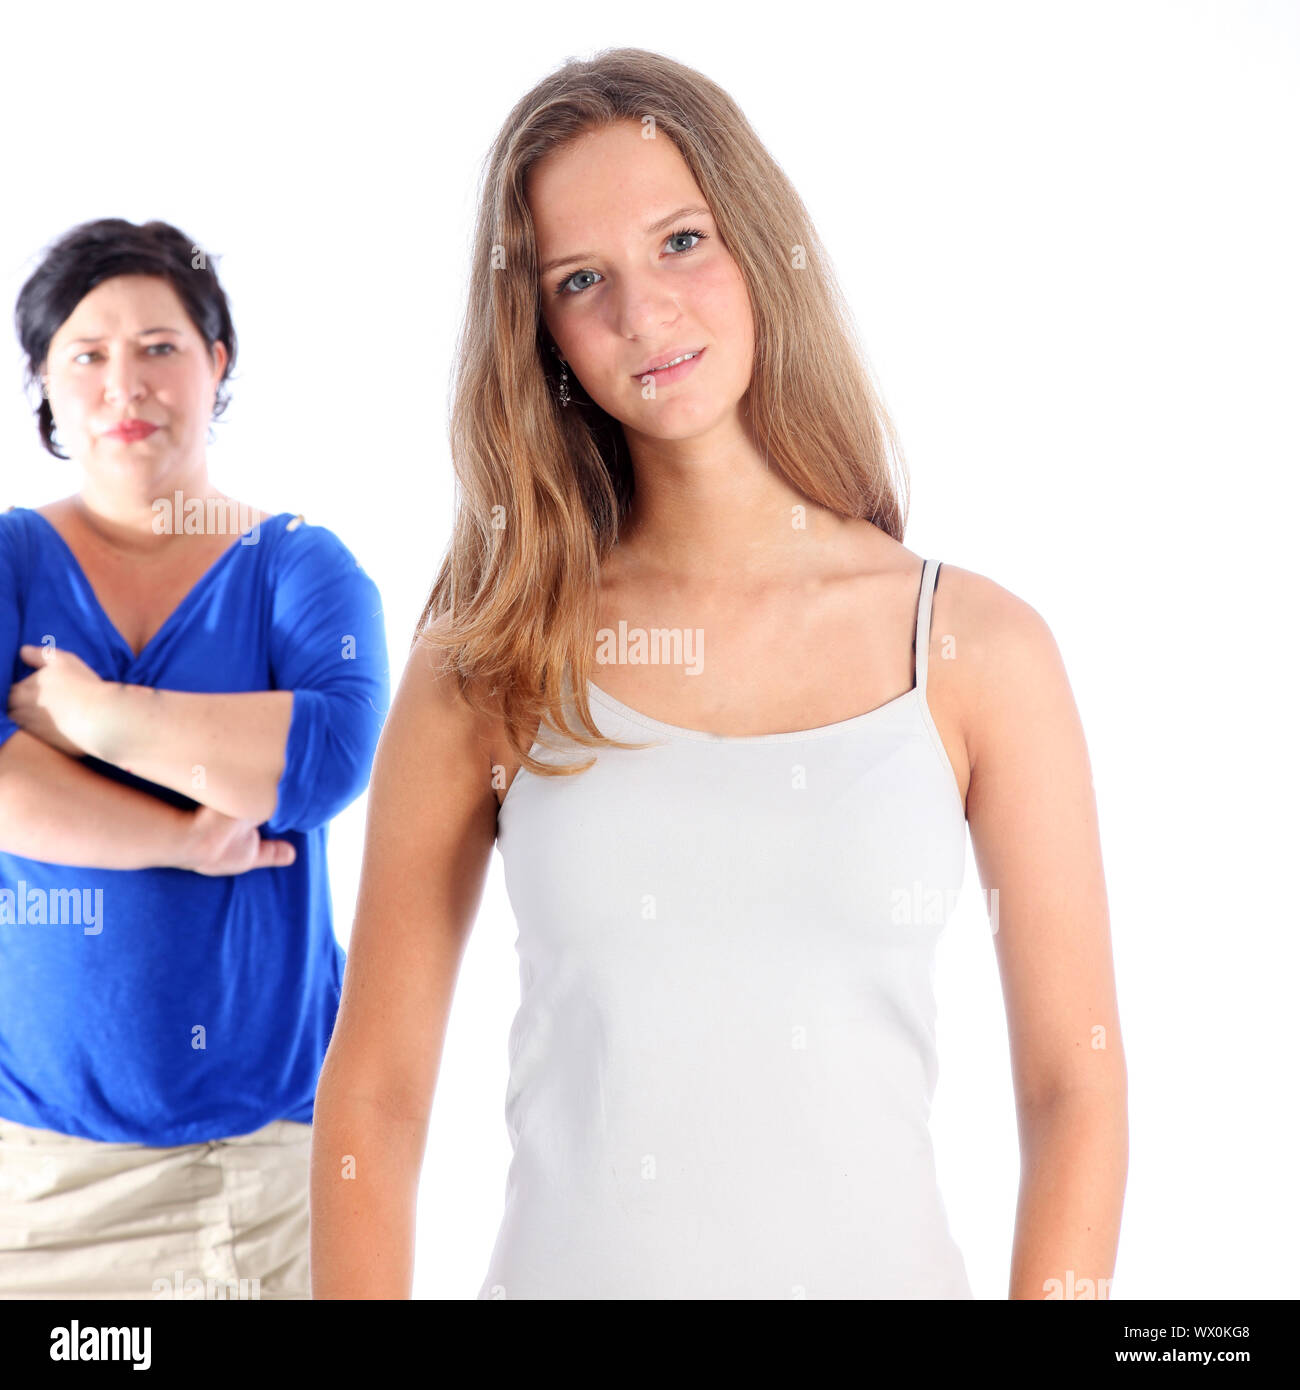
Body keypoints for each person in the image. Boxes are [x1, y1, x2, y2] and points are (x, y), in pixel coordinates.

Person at [311, 49, 1127, 1300]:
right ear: (542, 337)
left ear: (755, 239)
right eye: (582, 280)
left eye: (680, 241)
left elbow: (1071, 1086)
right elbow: (375, 1096)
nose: (644, 314)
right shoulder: (488, 661)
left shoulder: (977, 651)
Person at [0, 218, 389, 1299]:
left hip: (252, 1177)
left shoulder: (300, 568)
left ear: (217, 364)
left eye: (161, 346)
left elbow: (323, 758)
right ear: (44, 383)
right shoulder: (11, 558)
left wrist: (94, 715)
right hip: (30, 1183)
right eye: (87, 354)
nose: (125, 382)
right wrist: (183, 831)